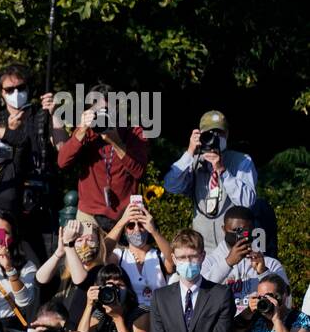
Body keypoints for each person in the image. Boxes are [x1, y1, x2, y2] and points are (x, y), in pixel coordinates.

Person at [0, 63, 68, 259]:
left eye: (21, 88)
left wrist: (56, 115)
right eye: (9, 89)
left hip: (42, 199)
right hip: (6, 202)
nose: (16, 93)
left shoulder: (42, 115)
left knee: (47, 260)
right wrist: (8, 132)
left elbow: (63, 151)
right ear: (1, 93)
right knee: (5, 256)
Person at [54, 85, 148, 231]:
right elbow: (62, 162)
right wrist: (81, 130)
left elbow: (139, 172)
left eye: (108, 110)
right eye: (97, 111)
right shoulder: (86, 132)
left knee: (119, 254)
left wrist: (115, 141)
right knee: (87, 253)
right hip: (89, 214)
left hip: (123, 216)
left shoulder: (133, 132)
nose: (103, 115)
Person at [163, 110, 256, 253]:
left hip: (234, 248)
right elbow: (170, 185)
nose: (215, 138)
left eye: (220, 133)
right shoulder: (194, 162)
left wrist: (222, 170)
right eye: (210, 133)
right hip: (202, 250)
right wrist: (189, 153)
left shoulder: (242, 161)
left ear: (228, 134)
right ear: (200, 136)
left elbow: (247, 202)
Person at [200, 204, 287, 316]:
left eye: (245, 231)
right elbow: (200, 293)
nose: (239, 235)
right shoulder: (208, 262)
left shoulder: (271, 264)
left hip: (258, 329)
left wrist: (264, 273)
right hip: (221, 329)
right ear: (223, 229)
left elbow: (285, 302)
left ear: (253, 230)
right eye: (235, 230)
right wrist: (227, 263)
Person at [104, 200, 173, 308]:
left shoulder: (160, 255)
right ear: (124, 230)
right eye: (131, 225)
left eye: (141, 224)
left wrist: (154, 231)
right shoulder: (119, 256)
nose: (137, 229)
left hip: (159, 314)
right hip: (129, 315)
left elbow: (173, 260)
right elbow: (103, 254)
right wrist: (122, 222)